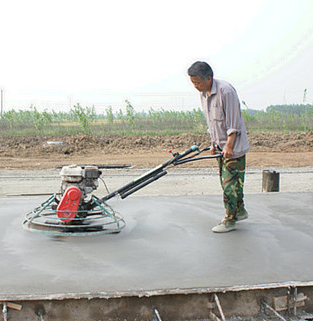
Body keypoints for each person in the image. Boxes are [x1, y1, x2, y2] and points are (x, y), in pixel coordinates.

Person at [188, 61, 250, 233]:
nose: (196, 86)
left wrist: (229, 145)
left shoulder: (226, 91)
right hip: (221, 146)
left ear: (209, 78)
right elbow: (212, 122)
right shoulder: (204, 94)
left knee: (230, 185)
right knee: (229, 183)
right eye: (193, 83)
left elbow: (233, 121)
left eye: (198, 83)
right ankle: (240, 210)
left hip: (233, 148)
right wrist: (213, 144)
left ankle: (230, 219)